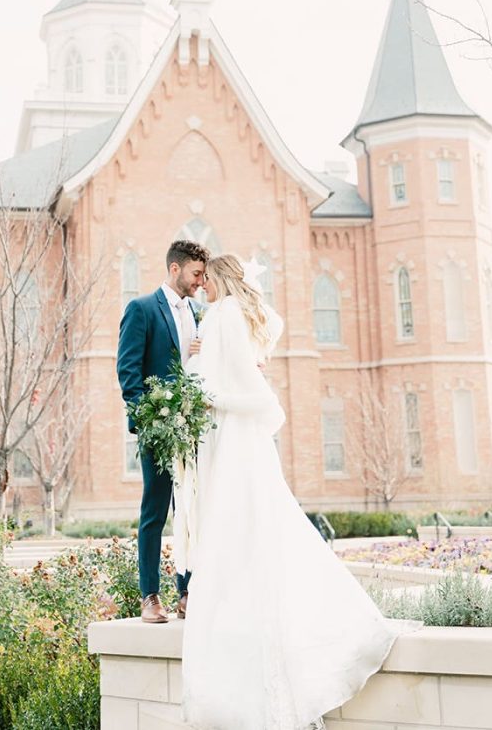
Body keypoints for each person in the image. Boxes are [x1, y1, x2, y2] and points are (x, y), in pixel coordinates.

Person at [182, 254, 417, 730]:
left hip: (237, 448)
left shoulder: (225, 315)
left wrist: (211, 397)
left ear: (221, 279)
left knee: (242, 542)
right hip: (235, 446)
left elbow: (259, 400)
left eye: (207, 279)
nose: (201, 287)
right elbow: (259, 339)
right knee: (260, 540)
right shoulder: (232, 318)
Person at [117, 239, 210, 623]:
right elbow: (128, 373)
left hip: (194, 430)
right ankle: (150, 597)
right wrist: (151, 421)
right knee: (155, 512)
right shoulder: (141, 309)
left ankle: (187, 591)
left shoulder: (201, 314)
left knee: (191, 512)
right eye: (196, 274)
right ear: (175, 270)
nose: (201, 282)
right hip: (159, 429)